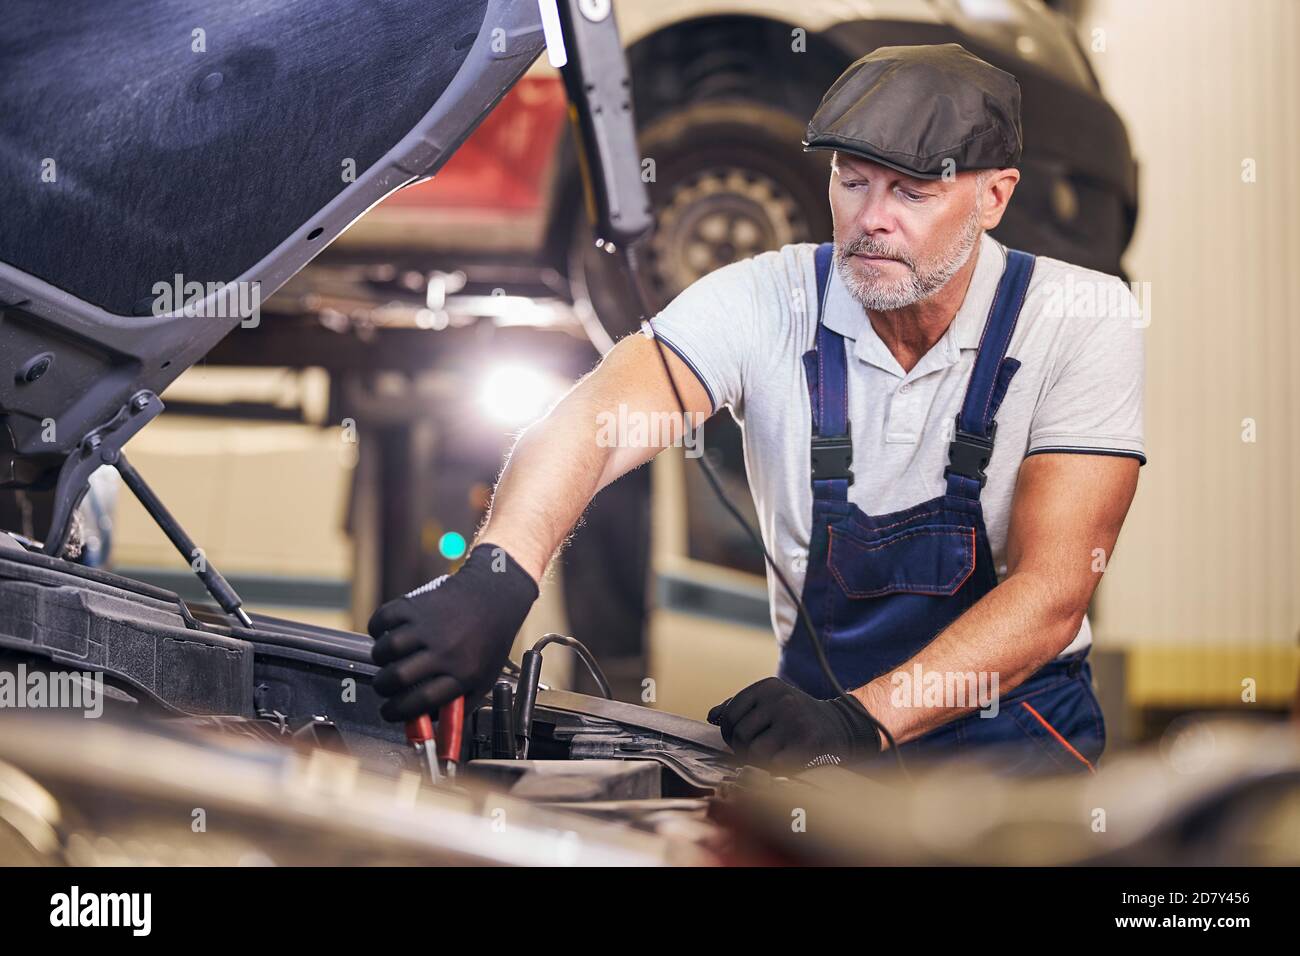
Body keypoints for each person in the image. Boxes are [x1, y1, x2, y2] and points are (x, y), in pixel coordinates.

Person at [367, 44, 1144, 775]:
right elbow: (600, 419)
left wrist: (858, 722)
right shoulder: (769, 299)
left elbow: (1051, 593)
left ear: (994, 196)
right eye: (852, 180)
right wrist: (499, 571)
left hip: (1018, 753)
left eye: (911, 192)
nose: (872, 219)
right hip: (827, 759)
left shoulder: (1078, 317)